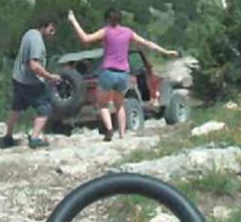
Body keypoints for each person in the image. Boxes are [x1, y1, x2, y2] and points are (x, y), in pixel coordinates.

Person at [67, 8, 179, 141]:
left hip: (108, 72)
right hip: (123, 73)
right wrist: (166, 52)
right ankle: (121, 134)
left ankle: (109, 129)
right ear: (120, 19)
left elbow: (85, 39)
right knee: (119, 105)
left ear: (107, 19)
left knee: (102, 104)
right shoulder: (128, 32)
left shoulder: (106, 32)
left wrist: (73, 20)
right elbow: (147, 43)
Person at [0, 17, 61, 149]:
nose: (53, 34)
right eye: (51, 30)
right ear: (45, 26)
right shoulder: (37, 41)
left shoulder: (29, 33)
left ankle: (8, 137)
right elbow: (34, 65)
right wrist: (49, 76)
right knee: (45, 107)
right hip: (31, 82)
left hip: (18, 78)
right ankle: (35, 138)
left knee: (16, 108)